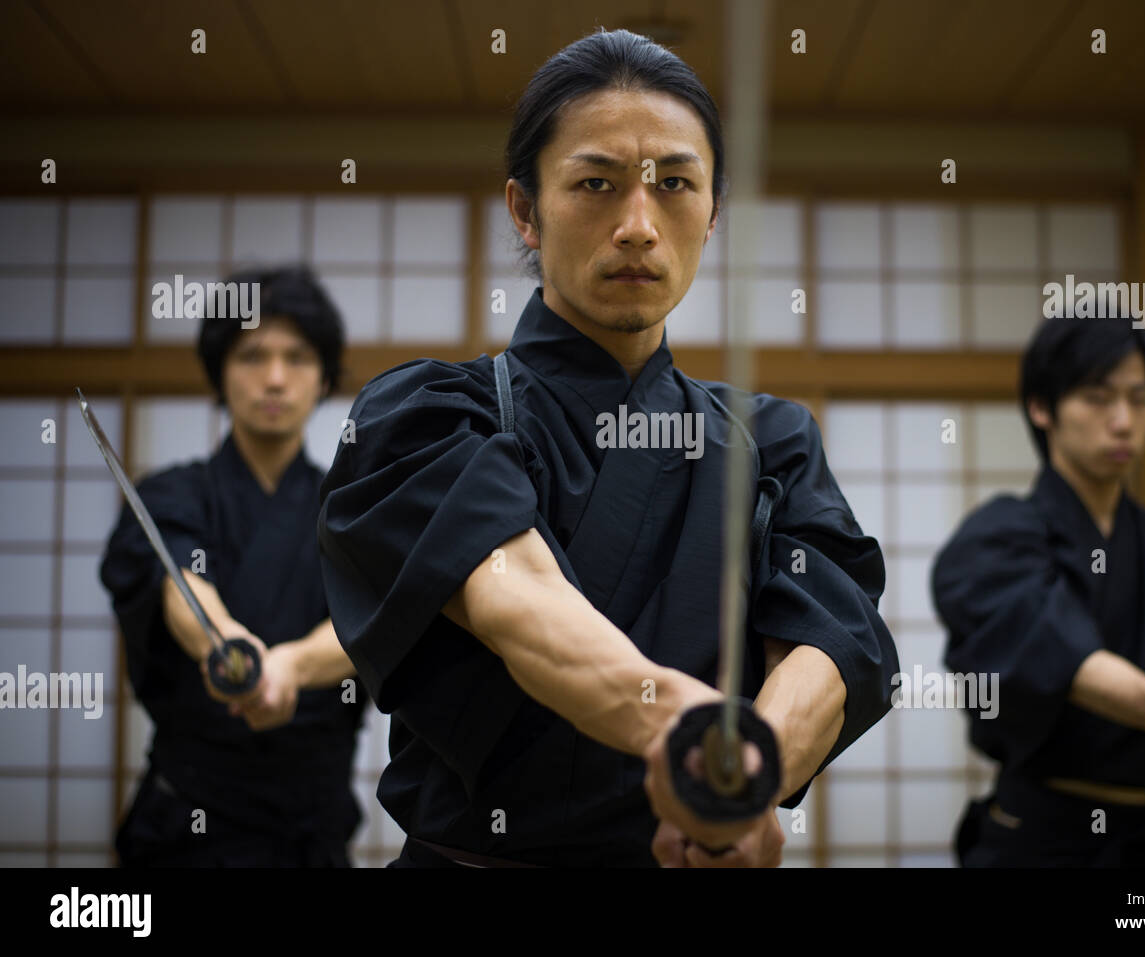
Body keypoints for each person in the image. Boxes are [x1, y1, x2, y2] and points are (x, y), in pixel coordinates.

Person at [317, 29, 898, 868]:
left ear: (712, 212)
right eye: (597, 183)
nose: (637, 226)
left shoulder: (770, 439)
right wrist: (690, 737)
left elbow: (834, 639)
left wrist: (743, 777)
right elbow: (517, 603)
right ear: (526, 209)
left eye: (674, 185)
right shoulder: (429, 415)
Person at [932, 315, 1145, 867]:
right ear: (1042, 408)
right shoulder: (996, 538)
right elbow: (1059, 656)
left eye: (1140, 399)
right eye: (1098, 398)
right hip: (1038, 841)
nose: (1124, 421)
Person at [101, 266, 367, 867]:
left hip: (310, 830)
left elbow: (372, 619)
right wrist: (227, 647)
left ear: (323, 375)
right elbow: (178, 583)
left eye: (297, 357)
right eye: (252, 355)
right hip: (186, 826)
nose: (274, 378)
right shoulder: (173, 495)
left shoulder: (353, 513)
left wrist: (292, 667)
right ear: (220, 370)